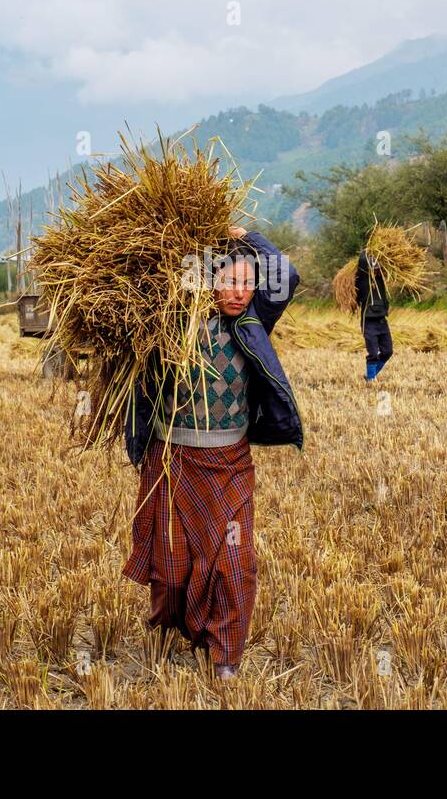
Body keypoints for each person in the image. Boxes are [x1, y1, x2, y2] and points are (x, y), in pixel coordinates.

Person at [122, 225, 301, 681]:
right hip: (170, 457)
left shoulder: (253, 320)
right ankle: (169, 632)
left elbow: (287, 271)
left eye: (247, 283)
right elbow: (137, 281)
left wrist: (248, 235)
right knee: (172, 560)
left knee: (235, 560)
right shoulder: (173, 316)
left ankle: (226, 655)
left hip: (229, 462)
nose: (239, 293)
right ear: (207, 280)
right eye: (229, 281)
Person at [355, 249, 393, 381]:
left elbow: (389, 263)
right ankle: (371, 380)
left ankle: (371, 375)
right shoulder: (362, 280)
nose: (377, 270)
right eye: (374, 268)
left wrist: (380, 251)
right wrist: (369, 250)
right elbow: (362, 262)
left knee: (388, 352)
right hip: (369, 322)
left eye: (378, 267)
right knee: (373, 354)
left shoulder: (381, 279)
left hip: (382, 321)